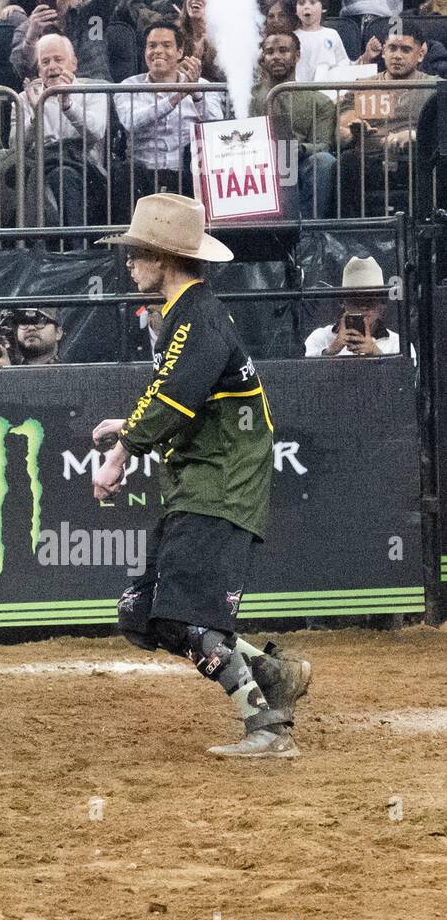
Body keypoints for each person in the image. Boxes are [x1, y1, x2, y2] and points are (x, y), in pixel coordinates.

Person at [91, 193, 310, 759]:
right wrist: (131, 426)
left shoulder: (196, 317)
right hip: (203, 481)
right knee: (149, 614)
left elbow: (175, 393)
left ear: (162, 258)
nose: (128, 262)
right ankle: (273, 673)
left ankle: (267, 726)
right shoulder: (192, 315)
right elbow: (184, 394)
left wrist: (122, 450)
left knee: (183, 617)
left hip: (220, 484)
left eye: (135, 252)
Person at [0, 31, 110, 229]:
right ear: (38, 71)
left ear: (74, 64)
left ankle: (74, 248)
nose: (52, 66)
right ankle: (12, 244)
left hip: (82, 164)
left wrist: (68, 105)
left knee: (62, 175)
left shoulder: (93, 92)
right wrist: (37, 113)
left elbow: (96, 133)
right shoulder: (23, 98)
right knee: (9, 173)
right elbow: (16, 144)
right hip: (37, 161)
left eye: (58, 60)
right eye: (45, 62)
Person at [114, 21, 227, 207]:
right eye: (152, 46)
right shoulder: (128, 86)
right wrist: (177, 96)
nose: (158, 51)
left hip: (187, 175)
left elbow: (217, 127)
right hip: (142, 174)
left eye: (166, 45)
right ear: (145, 52)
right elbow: (131, 121)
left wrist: (196, 93)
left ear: (180, 52)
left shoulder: (201, 84)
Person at [335, 24, 437, 215]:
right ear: (383, 51)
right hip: (372, 161)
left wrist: (417, 135)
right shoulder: (362, 87)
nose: (397, 56)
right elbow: (341, 134)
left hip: (416, 161)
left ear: (420, 54)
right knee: (347, 161)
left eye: (406, 50)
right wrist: (352, 133)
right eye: (392, 48)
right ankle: (351, 238)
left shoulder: (435, 88)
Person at [250, 30, 337, 219]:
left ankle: (308, 232)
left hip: (298, 163)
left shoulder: (319, 101)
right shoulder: (247, 97)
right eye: (270, 52)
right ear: (263, 58)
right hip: (255, 165)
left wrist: (301, 149)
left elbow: (324, 145)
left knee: (324, 161)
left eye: (283, 50)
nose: (276, 57)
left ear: (297, 56)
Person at [7, 0, 114, 82]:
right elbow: (22, 70)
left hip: (93, 91)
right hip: (50, 95)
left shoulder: (92, 13)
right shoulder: (27, 28)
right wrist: (32, 35)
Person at [304, 255, 403, 357]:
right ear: (343, 302)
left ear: (381, 303)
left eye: (371, 300)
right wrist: (330, 351)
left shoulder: (398, 344)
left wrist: (376, 353)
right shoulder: (320, 338)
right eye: (356, 299)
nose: (364, 306)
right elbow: (301, 370)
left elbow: (407, 372)